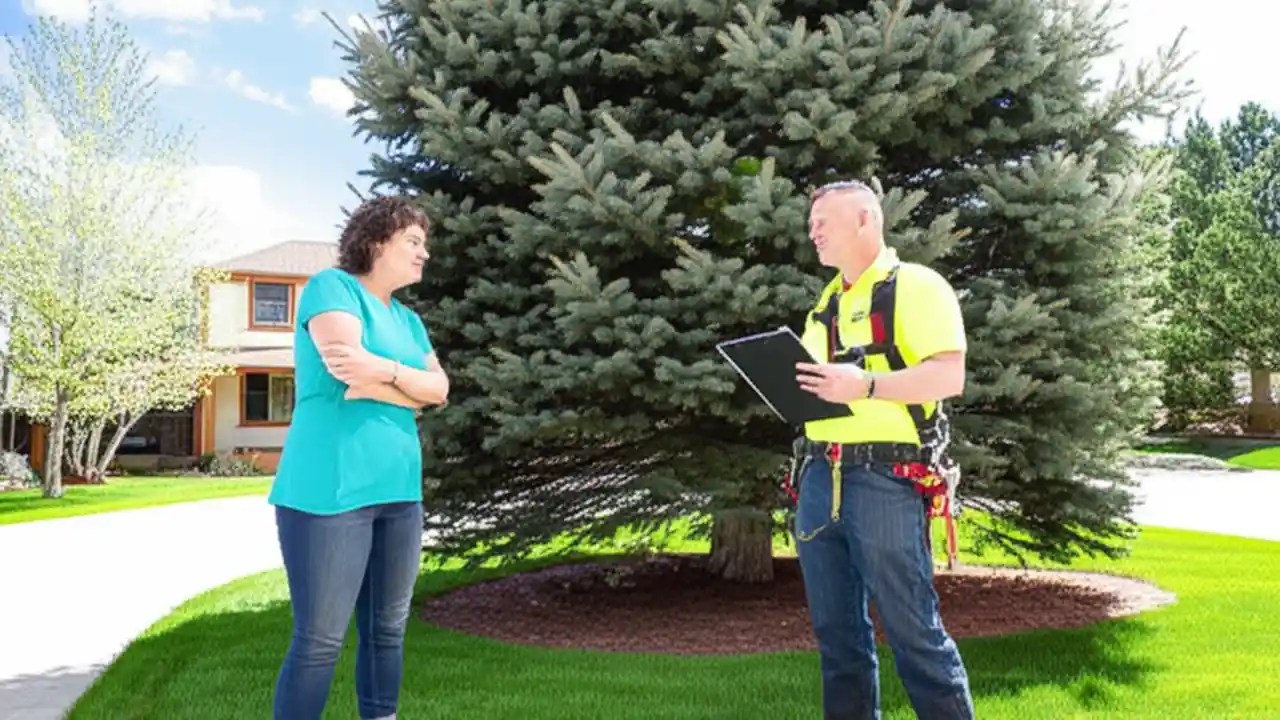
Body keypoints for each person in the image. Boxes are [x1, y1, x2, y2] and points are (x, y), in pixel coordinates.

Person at [791, 180, 975, 719]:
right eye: (812, 224)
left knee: (915, 634)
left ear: (866, 220)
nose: (814, 232)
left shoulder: (917, 286)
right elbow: (814, 390)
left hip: (886, 478)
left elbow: (949, 374)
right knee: (838, 643)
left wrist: (865, 385)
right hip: (820, 478)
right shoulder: (826, 304)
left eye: (824, 221)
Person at [267, 195, 449, 720]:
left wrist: (385, 374)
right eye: (413, 242)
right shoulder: (332, 288)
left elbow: (438, 390)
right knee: (321, 639)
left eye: (424, 245)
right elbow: (347, 371)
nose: (424, 254)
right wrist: (406, 387)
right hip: (329, 492)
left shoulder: (410, 320)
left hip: (399, 492)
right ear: (376, 242)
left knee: (388, 630)